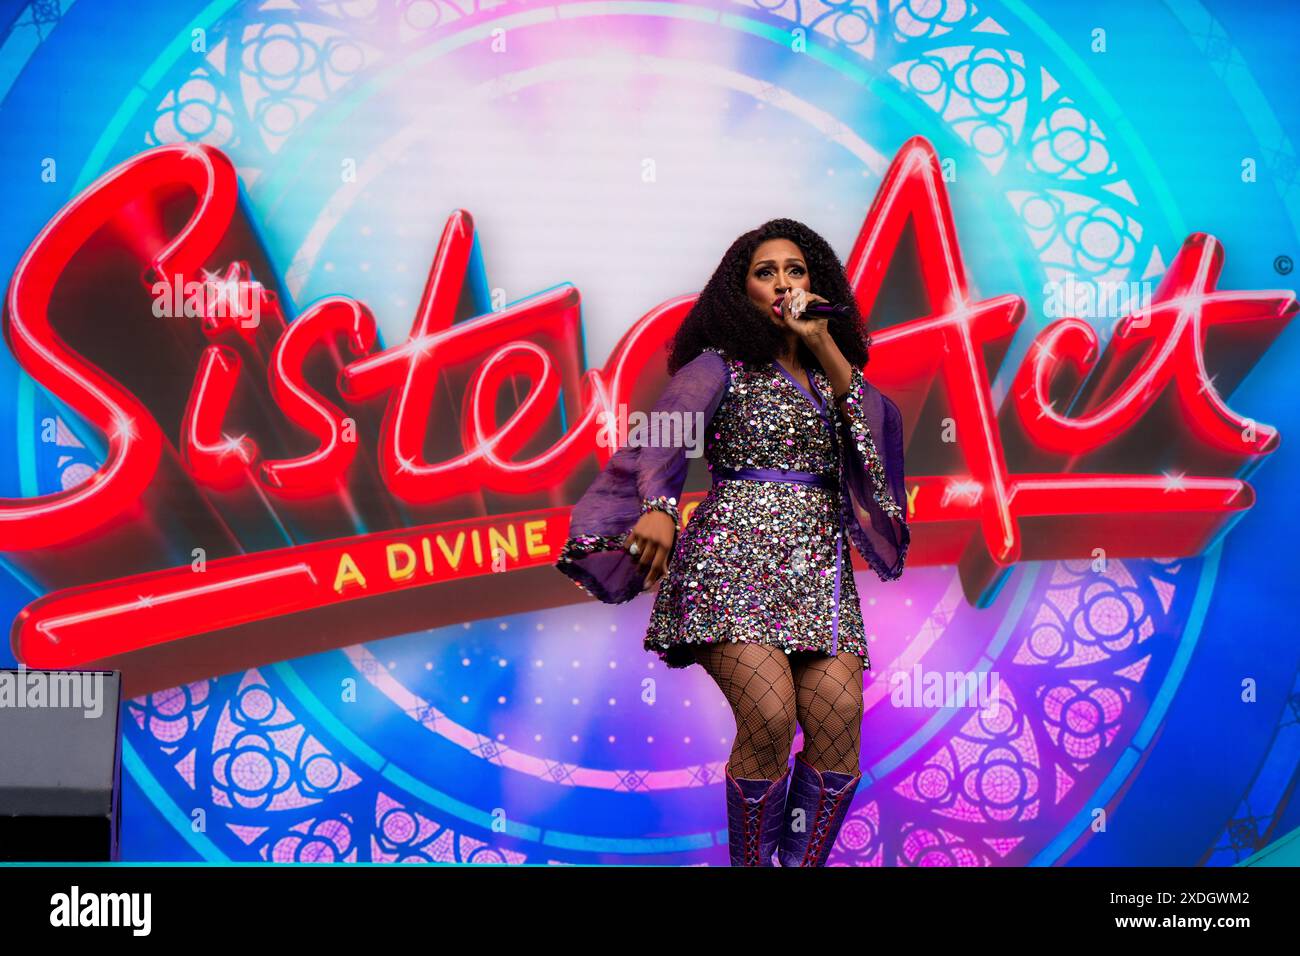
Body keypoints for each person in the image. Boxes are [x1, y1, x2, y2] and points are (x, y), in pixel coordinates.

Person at [555, 218, 909, 866]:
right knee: (771, 718)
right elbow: (668, 429)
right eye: (765, 271)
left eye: (795, 269)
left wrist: (824, 345)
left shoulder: (841, 384)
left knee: (839, 724)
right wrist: (659, 506)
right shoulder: (719, 365)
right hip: (730, 566)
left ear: (816, 284)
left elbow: (876, 434)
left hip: (816, 577)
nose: (782, 281)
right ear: (740, 290)